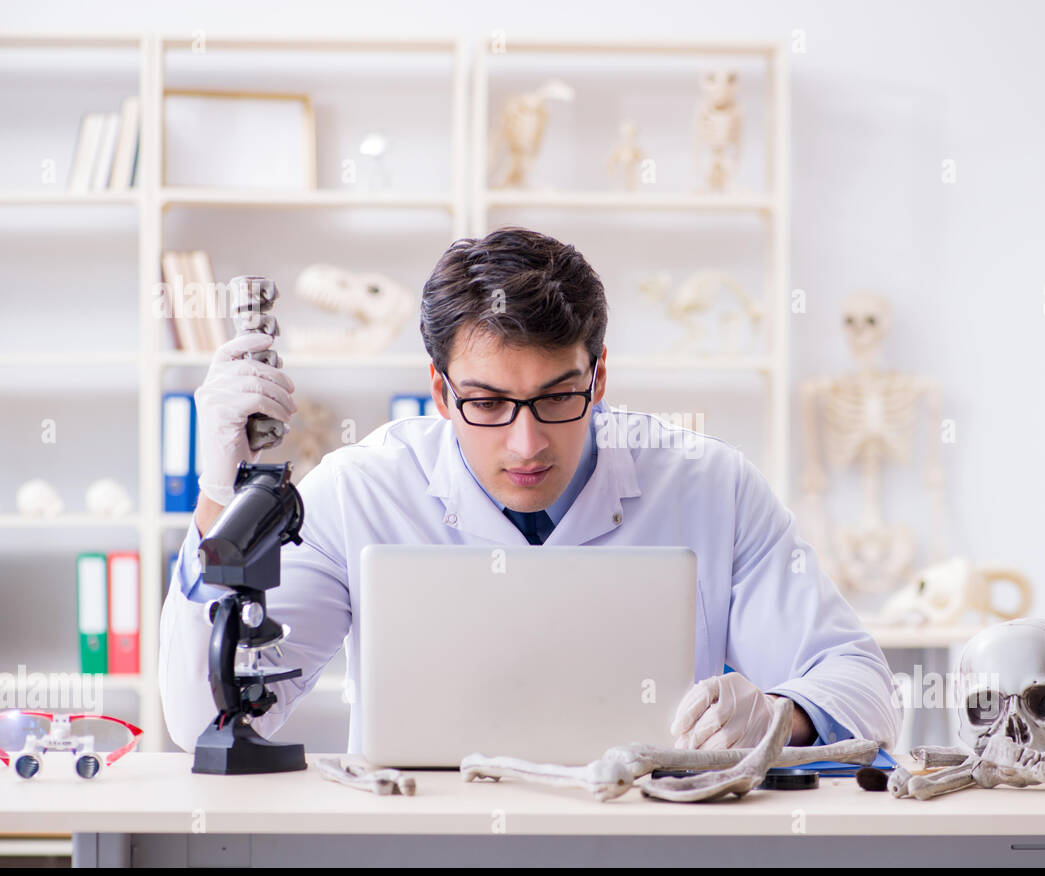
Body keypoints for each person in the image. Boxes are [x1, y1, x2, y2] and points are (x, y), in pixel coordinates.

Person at [159, 226, 903, 755]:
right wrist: (218, 489)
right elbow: (202, 720)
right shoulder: (361, 490)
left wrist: (782, 715)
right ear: (440, 392)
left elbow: (865, 688)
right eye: (487, 403)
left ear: (599, 377)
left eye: (557, 397)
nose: (526, 443)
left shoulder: (711, 485)